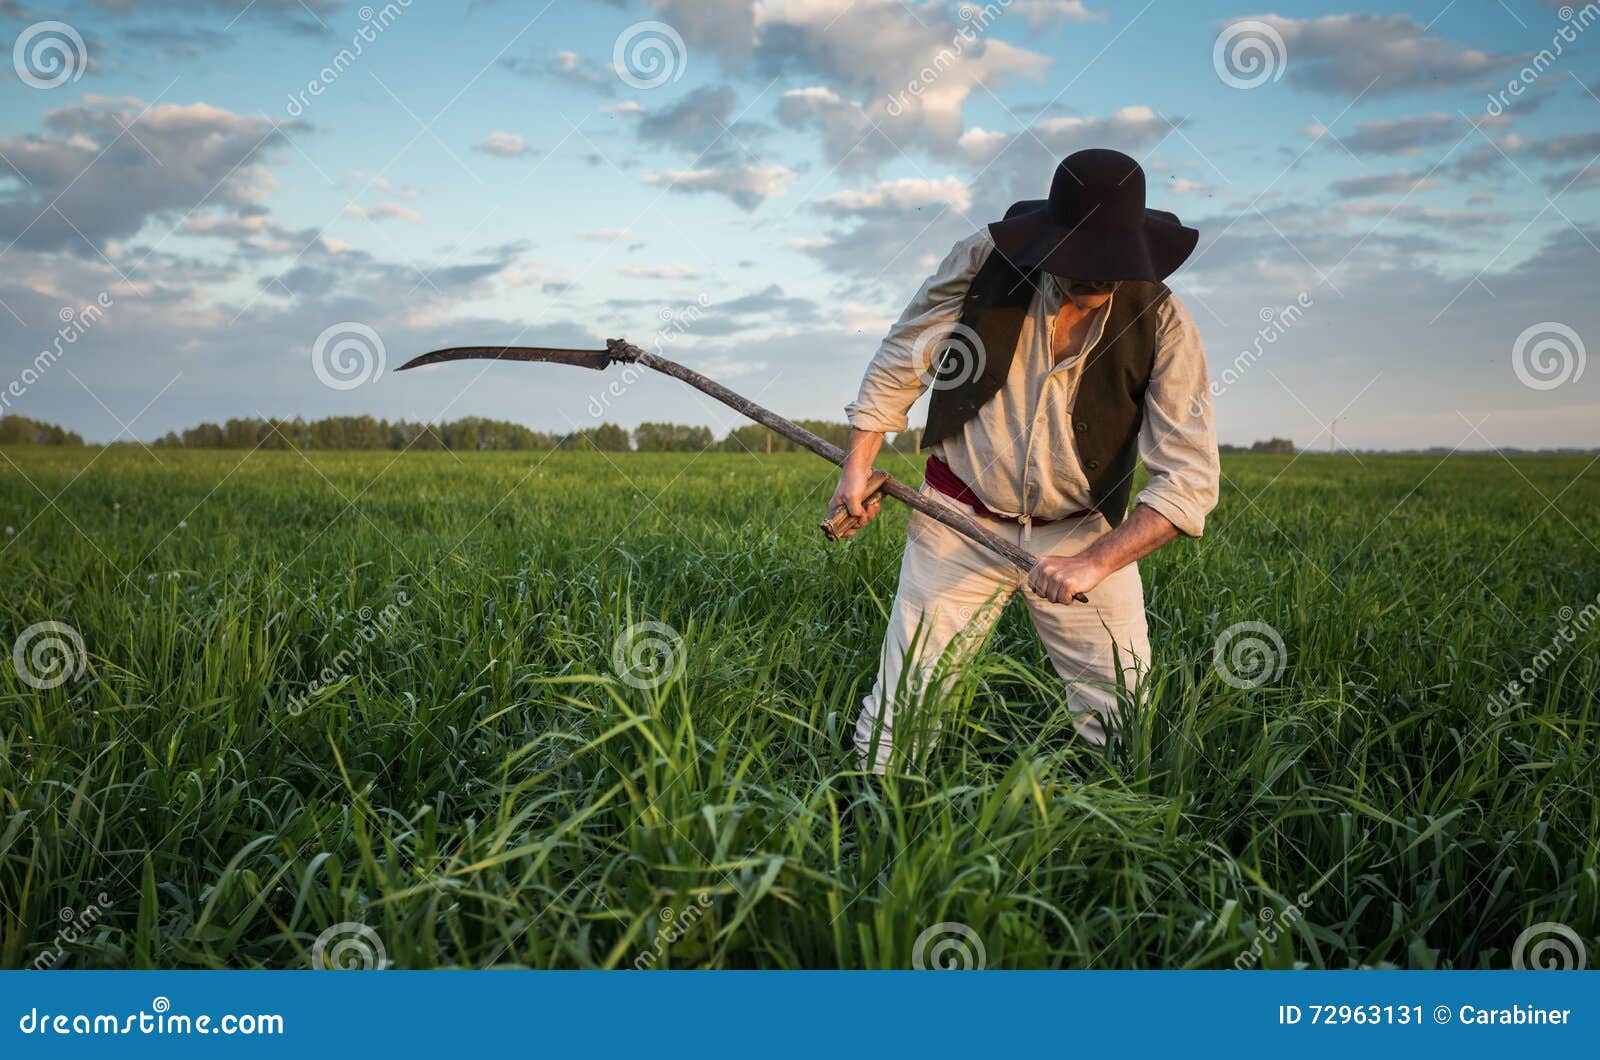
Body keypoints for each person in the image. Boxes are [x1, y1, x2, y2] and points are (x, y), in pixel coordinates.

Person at [829, 148, 1219, 774]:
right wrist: (858, 463)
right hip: (959, 517)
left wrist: (1093, 561)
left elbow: (1189, 483)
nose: (1091, 279)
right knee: (902, 711)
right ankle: (873, 825)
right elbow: (905, 356)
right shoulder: (983, 262)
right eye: (1077, 262)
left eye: (1107, 267)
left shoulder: (1164, 322)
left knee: (1125, 722)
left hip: (1084, 531)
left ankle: (1120, 842)